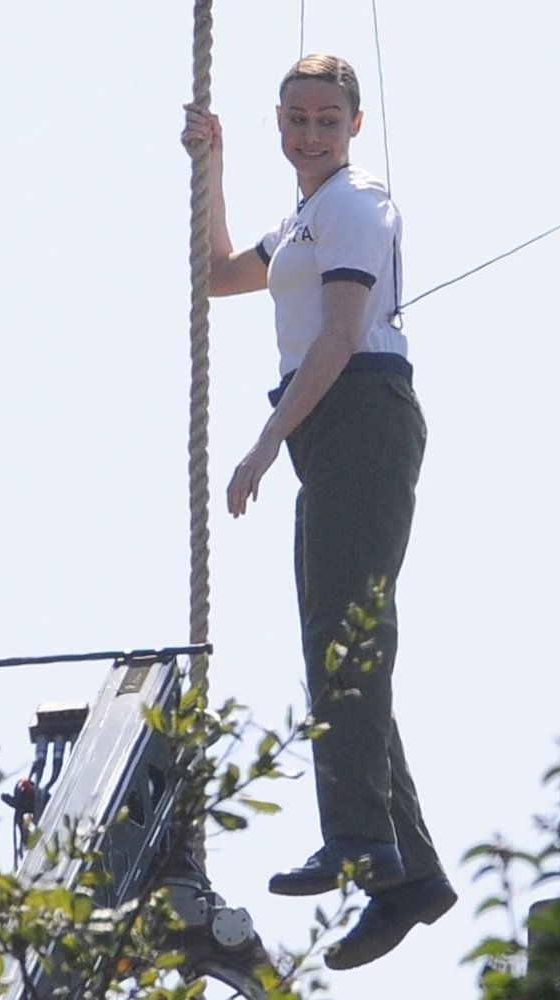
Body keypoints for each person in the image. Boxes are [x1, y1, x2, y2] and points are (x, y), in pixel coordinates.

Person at [181, 53, 456, 971]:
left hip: (359, 413)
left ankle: (359, 844)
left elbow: (340, 338)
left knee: (346, 639)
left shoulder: (355, 204)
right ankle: (406, 873)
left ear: (354, 126)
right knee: (337, 638)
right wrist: (208, 164)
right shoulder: (303, 220)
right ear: (279, 123)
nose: (309, 133)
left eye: (326, 119)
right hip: (329, 429)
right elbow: (219, 274)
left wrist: (263, 445)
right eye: (295, 118)